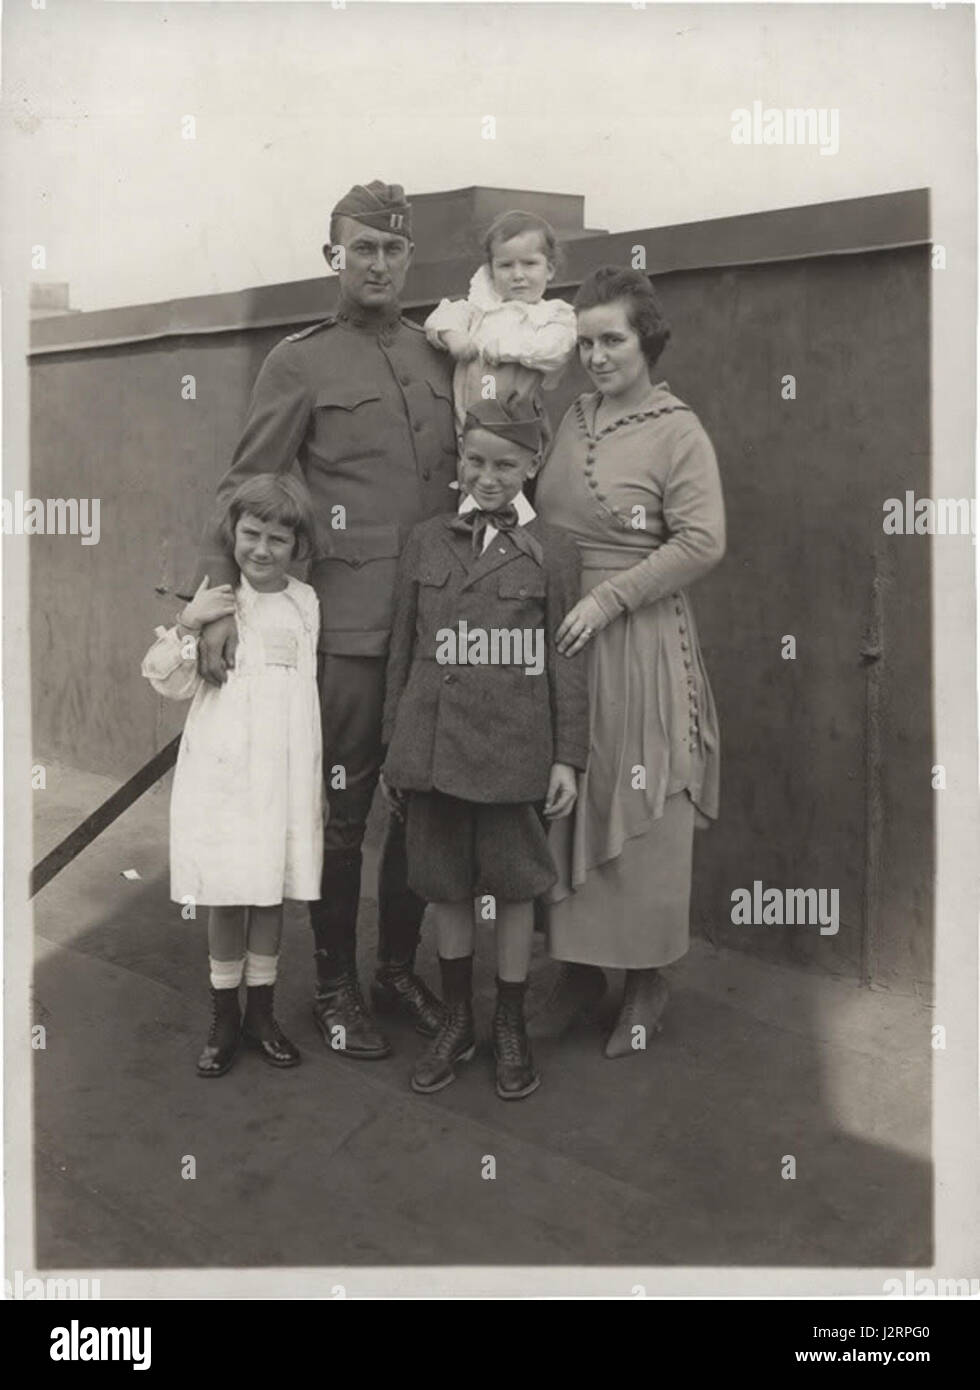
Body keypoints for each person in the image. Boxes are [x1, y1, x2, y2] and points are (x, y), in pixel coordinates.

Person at [186, 181, 460, 1061]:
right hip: (345, 631)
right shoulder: (299, 362)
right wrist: (219, 601)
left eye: (391, 249)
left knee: (423, 808)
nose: (377, 265)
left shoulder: (440, 355)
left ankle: (394, 969)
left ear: (409, 257)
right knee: (344, 814)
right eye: (360, 249)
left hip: (436, 627)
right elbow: (246, 486)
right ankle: (335, 987)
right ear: (332, 256)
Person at [533, 267, 725, 1056]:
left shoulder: (678, 429)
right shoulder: (570, 417)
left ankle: (647, 981)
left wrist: (611, 600)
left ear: (646, 340)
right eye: (585, 342)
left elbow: (703, 542)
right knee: (568, 799)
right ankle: (579, 973)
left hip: (639, 640)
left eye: (612, 338)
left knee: (641, 800)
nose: (598, 355)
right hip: (566, 641)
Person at [380, 395, 589, 1099]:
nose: (488, 476)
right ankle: (458, 1021)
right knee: (445, 887)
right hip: (433, 748)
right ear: (459, 461)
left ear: (532, 465)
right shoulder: (426, 539)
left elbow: (566, 660)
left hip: (514, 751)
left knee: (515, 885)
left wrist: (568, 756)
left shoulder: (556, 551)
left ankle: (509, 1025)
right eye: (475, 460)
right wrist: (393, 748)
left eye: (505, 463)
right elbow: (403, 650)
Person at [142, 474, 322, 1078]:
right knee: (225, 892)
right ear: (233, 534)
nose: (262, 549)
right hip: (222, 778)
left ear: (298, 547)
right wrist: (192, 622)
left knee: (268, 893)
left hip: (281, 776)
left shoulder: (305, 604)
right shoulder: (214, 602)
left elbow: (304, 701)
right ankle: (224, 1018)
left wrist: (312, 783)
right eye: (251, 534)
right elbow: (167, 679)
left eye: (278, 538)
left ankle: (262, 1014)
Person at [424, 210, 577, 446]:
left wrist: (506, 348)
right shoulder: (479, 308)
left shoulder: (552, 315)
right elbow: (441, 317)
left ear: (549, 269)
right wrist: (454, 338)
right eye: (506, 265)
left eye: (529, 264)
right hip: (466, 425)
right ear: (491, 271)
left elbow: (555, 349)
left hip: (514, 427)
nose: (518, 275)